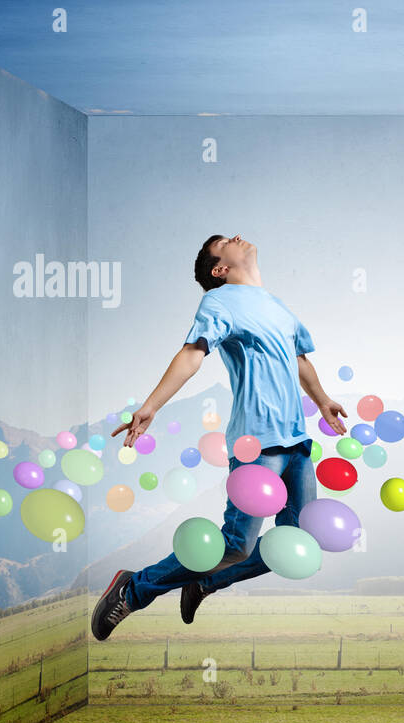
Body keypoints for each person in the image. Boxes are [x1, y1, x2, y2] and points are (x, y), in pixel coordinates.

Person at [91, 234, 346, 640]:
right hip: (257, 442)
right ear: (219, 269)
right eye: (225, 241)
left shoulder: (277, 306)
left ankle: (205, 582)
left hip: (297, 442)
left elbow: (299, 360)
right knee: (235, 546)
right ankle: (134, 588)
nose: (237, 237)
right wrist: (151, 405)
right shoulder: (220, 301)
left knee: (298, 540)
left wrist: (324, 398)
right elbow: (193, 352)